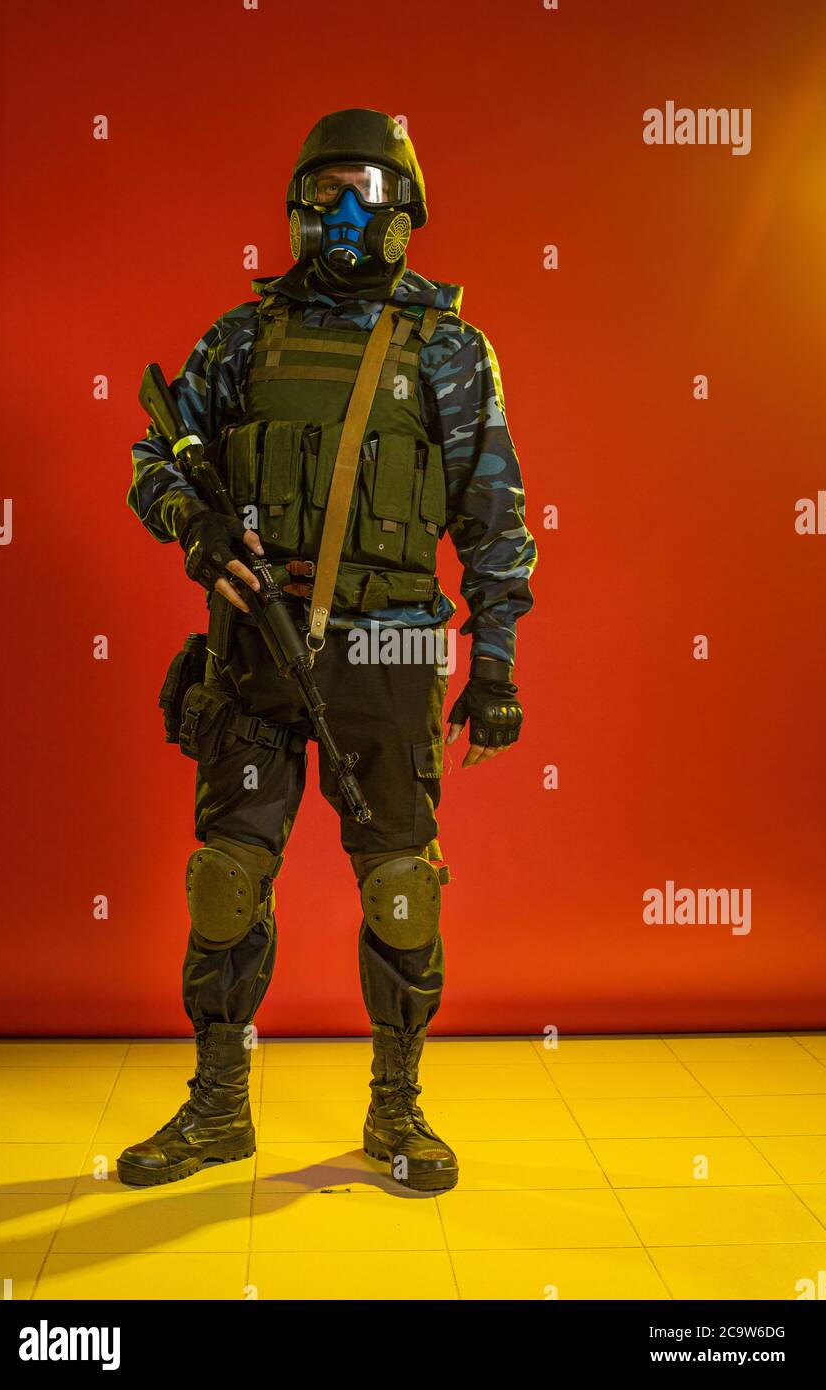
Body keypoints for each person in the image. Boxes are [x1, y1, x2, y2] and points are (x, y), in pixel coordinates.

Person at [120, 108, 536, 1193]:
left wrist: (491, 661)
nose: (342, 212)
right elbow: (152, 461)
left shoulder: (447, 349)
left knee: (401, 886)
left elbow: (493, 515)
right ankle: (218, 1109)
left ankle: (395, 1112)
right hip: (255, 644)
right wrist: (190, 522)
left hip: (393, 651)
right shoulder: (239, 339)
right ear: (297, 205)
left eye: (366, 189)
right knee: (224, 882)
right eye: (323, 190)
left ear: (405, 208)